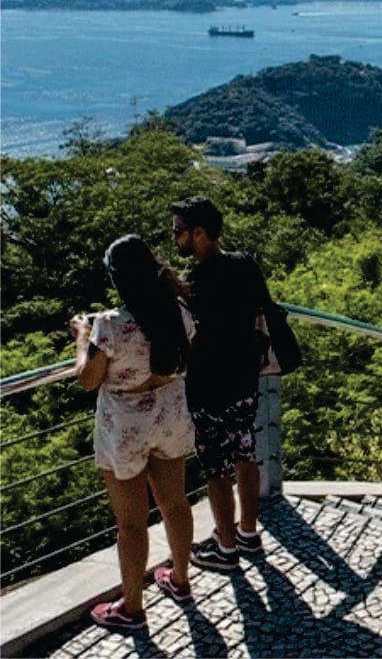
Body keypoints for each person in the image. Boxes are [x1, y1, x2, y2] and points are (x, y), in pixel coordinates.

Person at [72, 235, 196, 631]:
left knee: (131, 523)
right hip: (171, 412)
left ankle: (132, 607)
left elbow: (88, 380)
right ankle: (179, 580)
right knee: (175, 504)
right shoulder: (178, 310)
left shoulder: (109, 325)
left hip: (126, 425)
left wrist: (81, 334)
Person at [172, 196, 277, 571]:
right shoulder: (244, 263)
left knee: (216, 468)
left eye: (179, 231)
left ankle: (226, 548)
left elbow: (189, 330)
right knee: (246, 454)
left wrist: (176, 287)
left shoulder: (197, 281)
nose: (175, 239)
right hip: (244, 378)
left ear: (199, 233)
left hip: (210, 385)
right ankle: (248, 532)